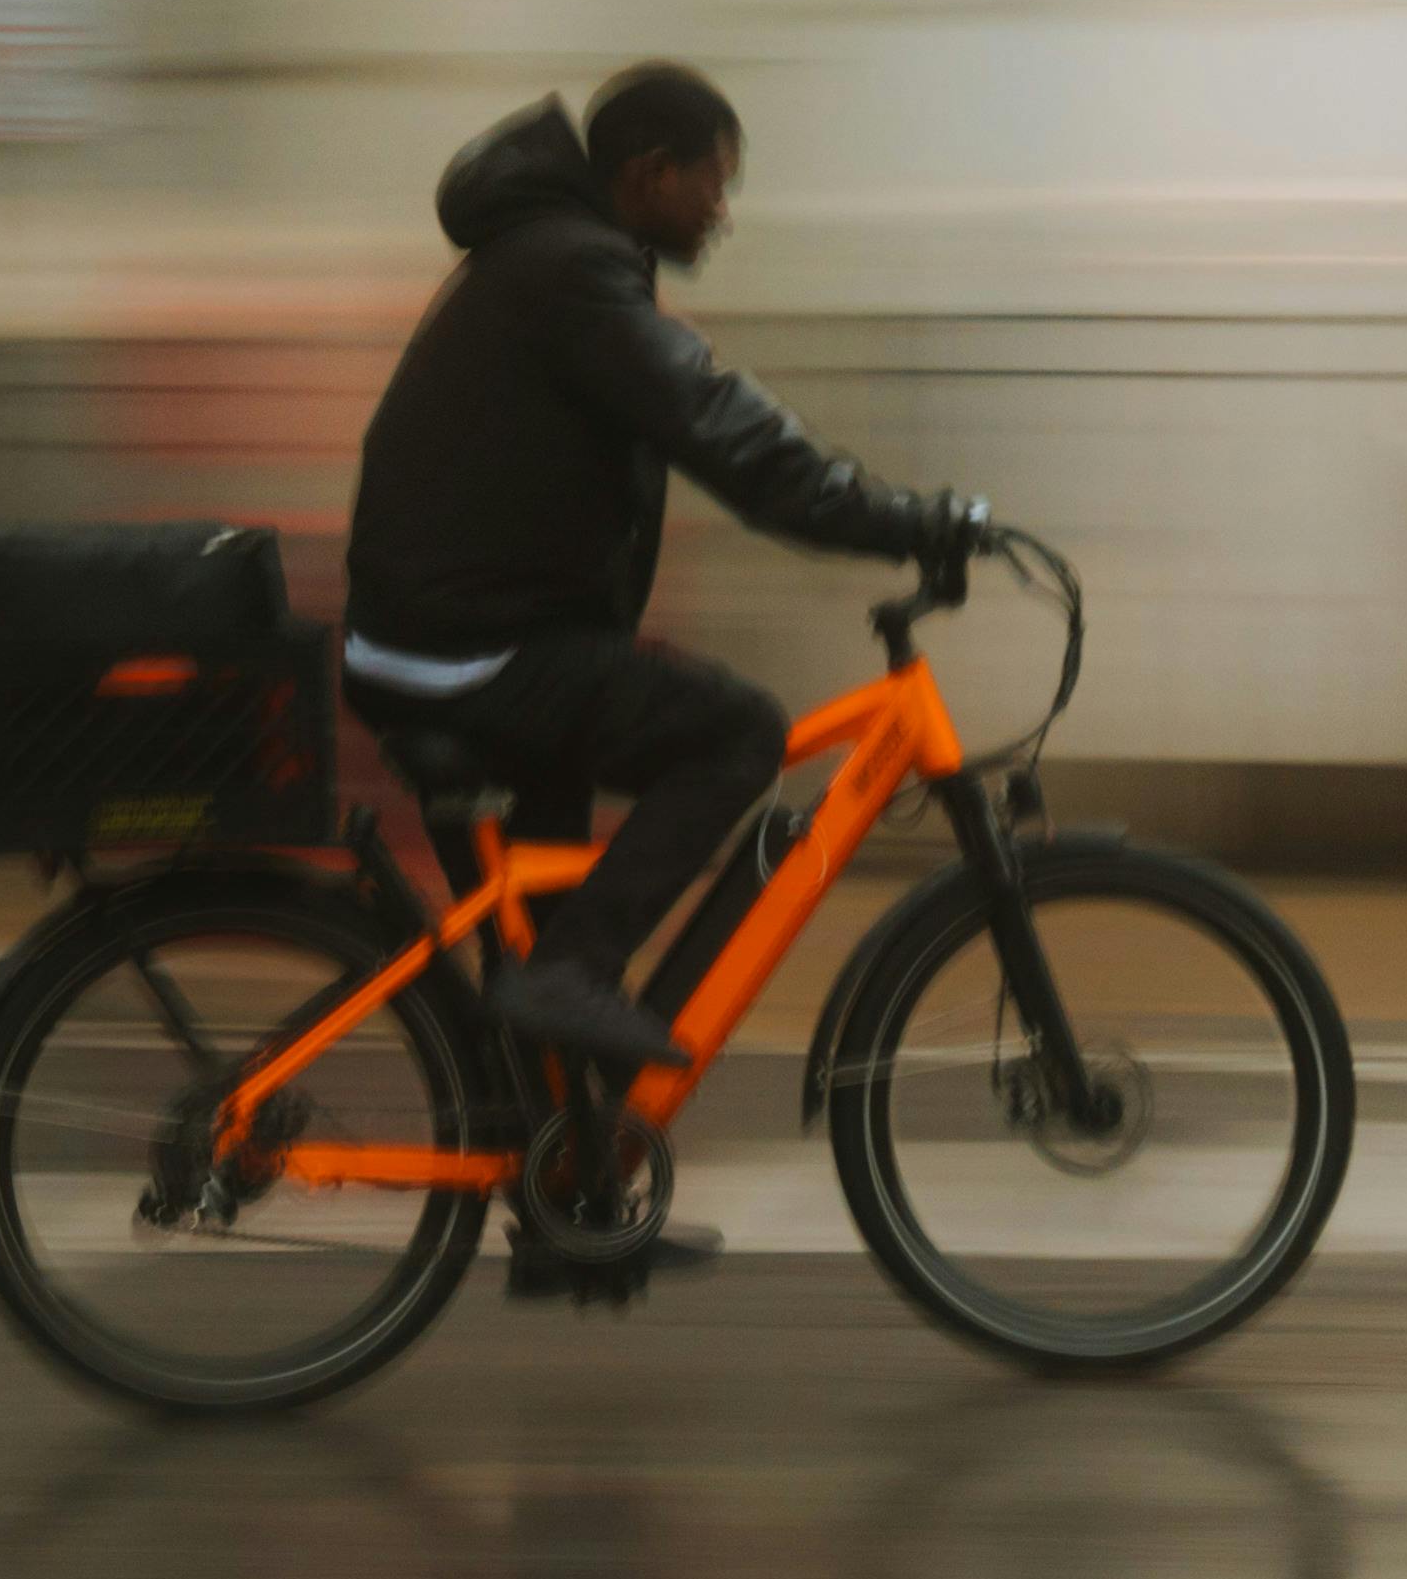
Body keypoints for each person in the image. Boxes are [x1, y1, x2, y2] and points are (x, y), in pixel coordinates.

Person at [338, 64, 985, 1094]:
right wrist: (913, 518)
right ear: (649, 172)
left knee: (543, 955)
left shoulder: (560, 258)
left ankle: (572, 1207)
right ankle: (573, 972)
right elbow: (736, 440)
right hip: (467, 651)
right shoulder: (574, 271)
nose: (722, 212)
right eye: (714, 185)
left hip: (455, 638)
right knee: (734, 730)